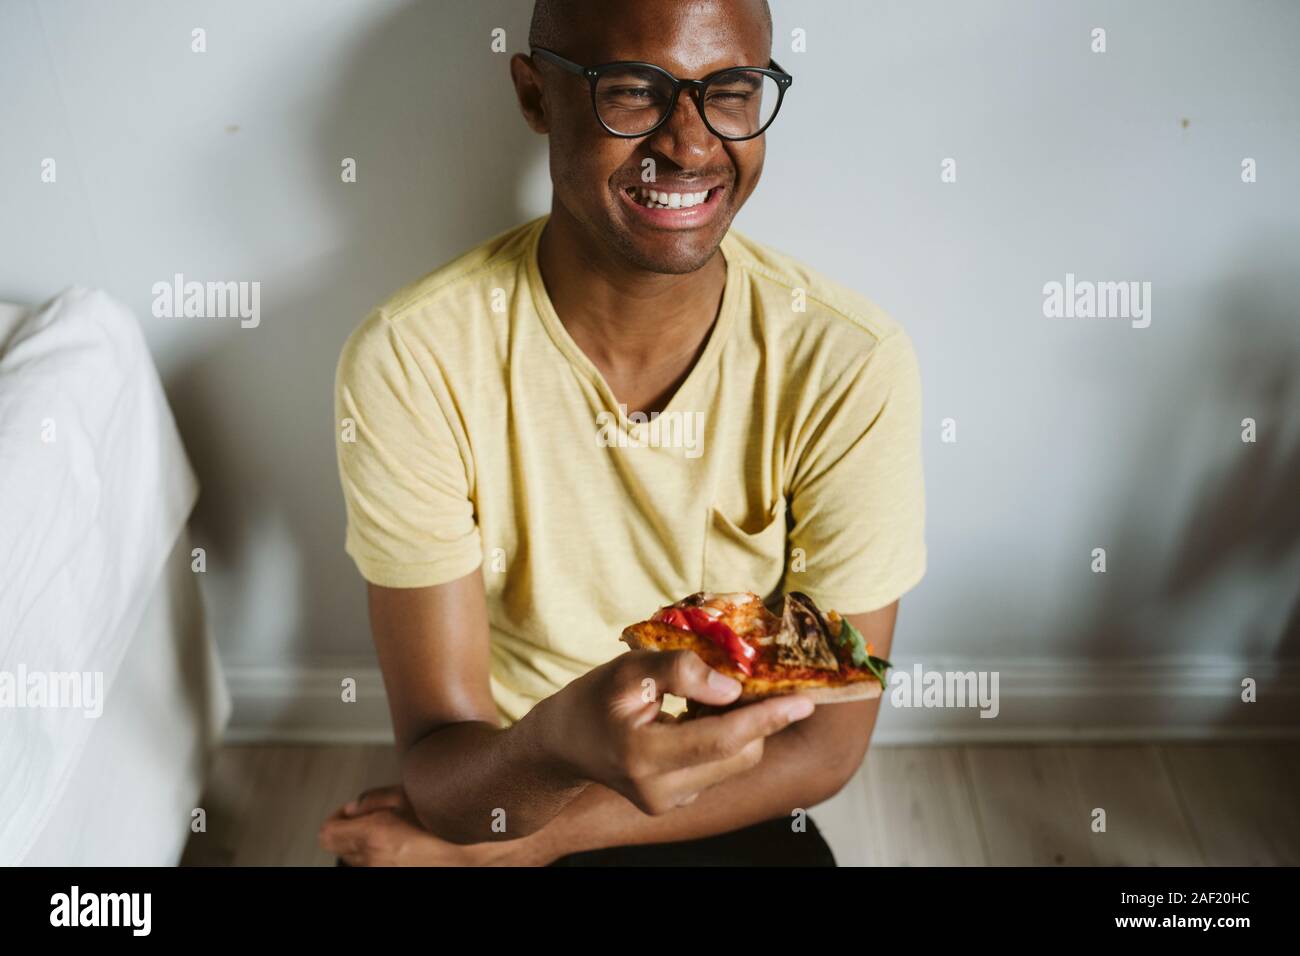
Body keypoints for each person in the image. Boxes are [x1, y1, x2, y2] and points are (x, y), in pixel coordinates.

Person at [320, 0, 925, 866]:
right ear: (535, 96)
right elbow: (441, 769)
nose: (690, 142)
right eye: (634, 91)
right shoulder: (415, 358)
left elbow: (823, 748)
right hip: (507, 768)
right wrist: (553, 750)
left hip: (723, 793)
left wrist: (523, 848)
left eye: (733, 91)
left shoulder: (848, 363)